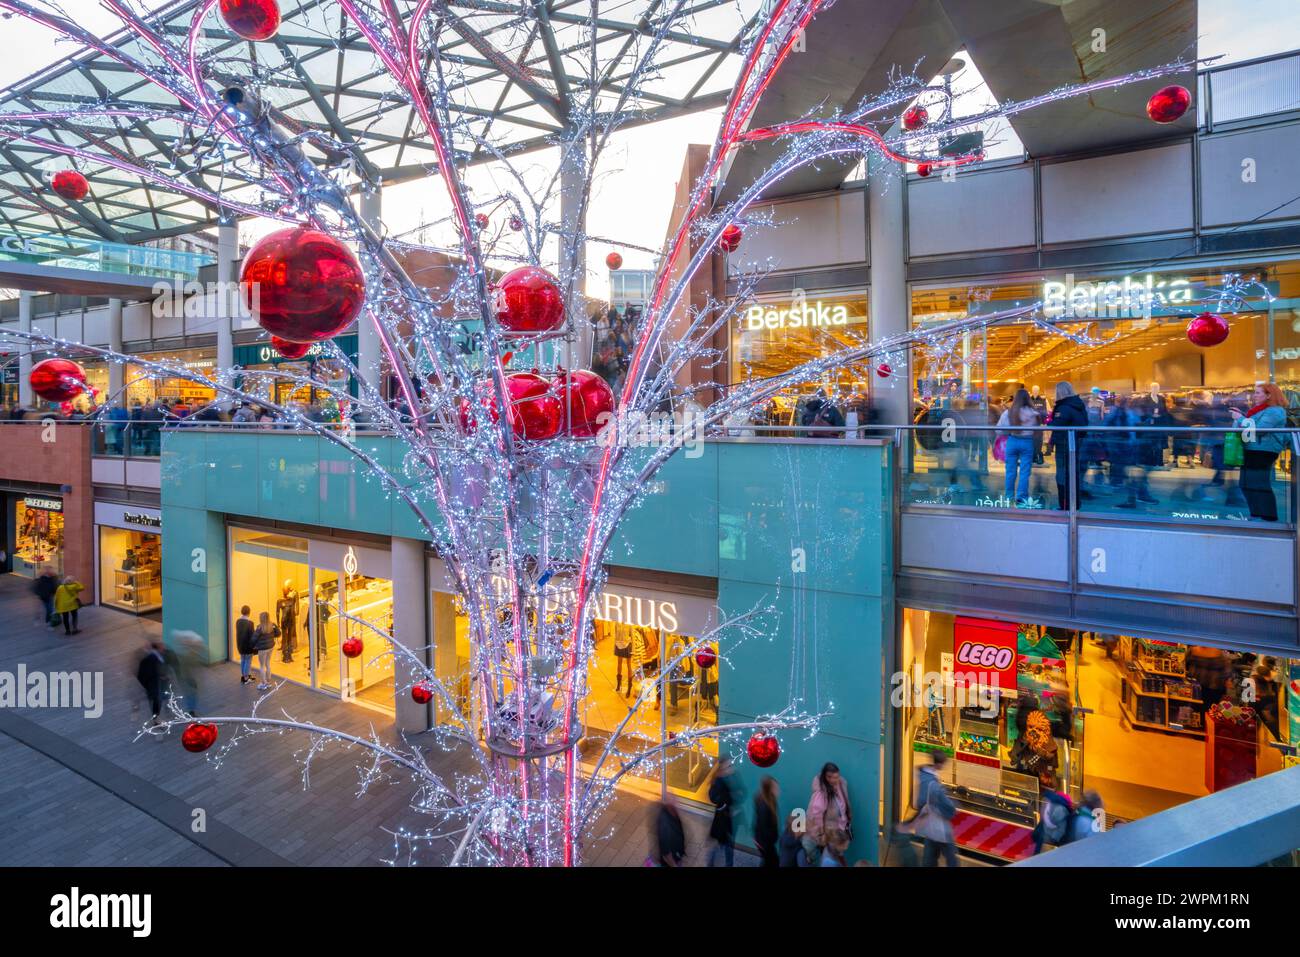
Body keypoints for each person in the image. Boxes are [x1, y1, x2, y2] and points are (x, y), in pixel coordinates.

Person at [1231, 382, 1288, 522]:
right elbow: (1248, 427)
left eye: (1257, 393)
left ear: (1269, 395)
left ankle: (1268, 517)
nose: (1253, 396)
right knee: (1246, 483)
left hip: (1264, 451)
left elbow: (1260, 430)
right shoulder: (1259, 410)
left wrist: (1240, 418)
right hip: (1253, 450)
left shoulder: (1275, 411)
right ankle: (1256, 514)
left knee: (1258, 483)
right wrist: (1241, 418)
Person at [1048, 382, 1089, 511]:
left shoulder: (1063, 407)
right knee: (1073, 474)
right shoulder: (1079, 405)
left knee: (1062, 475)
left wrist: (1049, 421)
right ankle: (1074, 504)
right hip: (1076, 443)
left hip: (1063, 444)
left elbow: (1056, 425)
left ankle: (1065, 505)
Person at [915, 752, 958, 866]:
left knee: (929, 858)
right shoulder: (933, 783)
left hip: (930, 827)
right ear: (939, 764)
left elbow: (920, 802)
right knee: (951, 857)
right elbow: (947, 805)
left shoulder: (924, 774)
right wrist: (952, 809)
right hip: (940, 827)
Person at [998, 388, 1040, 506]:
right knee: (1025, 471)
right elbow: (1038, 431)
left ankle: (1009, 496)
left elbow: (999, 429)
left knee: (1010, 471)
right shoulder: (1033, 413)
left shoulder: (1009, 412)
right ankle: (1021, 496)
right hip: (1027, 442)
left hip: (1012, 441)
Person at [804, 761, 852, 865]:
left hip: (839, 831)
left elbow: (844, 805)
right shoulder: (821, 793)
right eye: (834, 777)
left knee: (837, 859)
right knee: (830, 859)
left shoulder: (841, 784)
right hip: (828, 835)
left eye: (837, 776)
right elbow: (816, 815)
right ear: (827, 778)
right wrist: (821, 835)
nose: (837, 780)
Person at [707, 757, 740, 867]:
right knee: (723, 844)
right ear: (722, 769)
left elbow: (741, 791)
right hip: (722, 820)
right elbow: (713, 797)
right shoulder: (718, 781)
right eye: (729, 766)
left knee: (724, 844)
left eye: (731, 765)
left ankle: (721, 863)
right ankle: (714, 863)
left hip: (729, 819)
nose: (732, 768)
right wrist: (724, 805)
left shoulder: (732, 776)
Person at [1032, 782, 1074, 854]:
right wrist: (1054, 840)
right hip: (1049, 841)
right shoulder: (1062, 810)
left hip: (1043, 837)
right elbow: (1061, 829)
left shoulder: (1052, 804)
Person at [136, 640, 168, 726]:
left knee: (157, 700)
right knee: (156, 700)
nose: (164, 648)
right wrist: (147, 684)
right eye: (162, 646)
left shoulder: (156, 656)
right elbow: (143, 673)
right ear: (158, 648)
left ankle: (156, 718)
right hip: (152, 685)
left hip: (154, 684)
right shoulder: (151, 658)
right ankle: (156, 719)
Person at [751, 776, 781, 867]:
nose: (778, 790)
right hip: (765, 843)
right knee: (773, 862)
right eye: (775, 788)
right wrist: (772, 839)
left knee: (769, 861)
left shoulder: (770, 800)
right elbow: (764, 828)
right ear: (769, 789)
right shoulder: (764, 806)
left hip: (764, 841)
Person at [654, 793, 686, 867]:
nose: (676, 802)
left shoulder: (672, 812)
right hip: (671, 861)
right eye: (674, 800)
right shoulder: (665, 824)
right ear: (668, 804)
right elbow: (666, 853)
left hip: (677, 854)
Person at [252, 611, 280, 690]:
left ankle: (264, 683)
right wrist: (273, 634)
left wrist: (252, 646)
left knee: (261, 666)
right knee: (267, 664)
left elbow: (254, 639)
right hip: (270, 647)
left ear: (261, 618)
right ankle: (268, 681)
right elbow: (278, 633)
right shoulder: (273, 625)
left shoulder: (259, 627)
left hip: (262, 649)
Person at [235, 605, 256, 684]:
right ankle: (246, 678)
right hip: (247, 646)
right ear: (249, 613)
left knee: (243, 660)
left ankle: (244, 676)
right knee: (248, 661)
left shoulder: (238, 621)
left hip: (240, 645)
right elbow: (252, 636)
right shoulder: (250, 623)